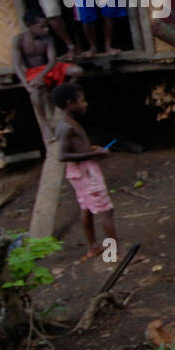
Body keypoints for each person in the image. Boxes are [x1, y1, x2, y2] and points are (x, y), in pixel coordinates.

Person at [51, 83, 117, 264]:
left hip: (79, 172)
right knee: (105, 211)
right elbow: (62, 155)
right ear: (70, 103)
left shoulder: (67, 123)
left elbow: (74, 149)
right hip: (85, 171)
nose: (85, 104)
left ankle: (93, 247)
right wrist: (94, 154)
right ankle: (114, 254)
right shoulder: (67, 126)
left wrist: (91, 148)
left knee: (87, 208)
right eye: (82, 100)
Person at [13, 12, 84, 142]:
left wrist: (42, 76)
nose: (46, 29)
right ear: (29, 25)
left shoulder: (48, 39)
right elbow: (17, 65)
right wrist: (26, 85)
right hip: (33, 71)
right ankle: (45, 124)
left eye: (46, 26)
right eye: (42, 26)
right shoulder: (19, 40)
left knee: (78, 71)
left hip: (49, 68)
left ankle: (62, 92)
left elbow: (52, 61)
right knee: (34, 93)